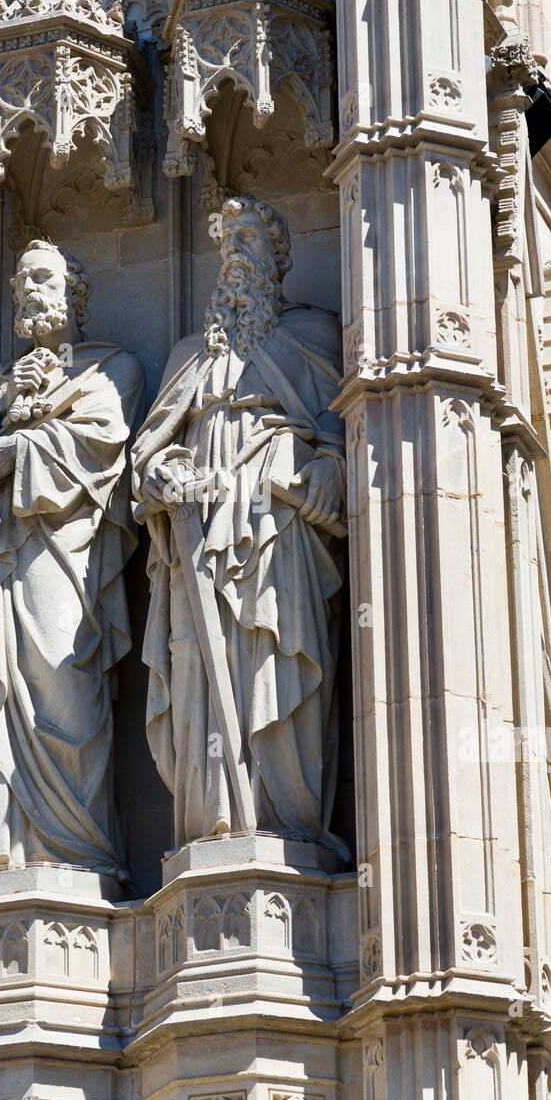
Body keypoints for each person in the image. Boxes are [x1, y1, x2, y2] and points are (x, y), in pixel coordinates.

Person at [131, 196, 348, 858]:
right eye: (225, 243)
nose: (235, 255)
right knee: (200, 662)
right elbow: (147, 451)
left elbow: (348, 437)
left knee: (279, 657)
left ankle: (288, 824)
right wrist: (164, 472)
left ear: (278, 258)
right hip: (198, 533)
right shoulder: (191, 355)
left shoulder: (313, 336)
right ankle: (215, 820)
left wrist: (320, 473)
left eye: (249, 239)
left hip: (278, 531)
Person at [0, 239, 144, 880]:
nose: (29, 292)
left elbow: (102, 441)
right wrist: (1, 408)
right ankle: (0, 854)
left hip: (64, 560)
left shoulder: (111, 369)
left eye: (44, 280)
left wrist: (17, 453)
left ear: (75, 292)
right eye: (20, 284)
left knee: (63, 680)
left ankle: (79, 856)